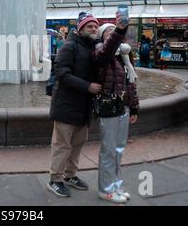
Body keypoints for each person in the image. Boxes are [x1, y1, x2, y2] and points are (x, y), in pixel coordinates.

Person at [47, 11, 128, 198]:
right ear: (80, 28)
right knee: (62, 144)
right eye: (89, 26)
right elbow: (62, 74)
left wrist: (120, 31)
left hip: (83, 106)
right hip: (66, 105)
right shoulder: (69, 46)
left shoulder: (92, 47)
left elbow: (107, 52)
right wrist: (87, 86)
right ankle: (55, 179)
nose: (93, 28)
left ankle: (70, 175)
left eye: (95, 26)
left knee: (77, 143)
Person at [94, 23, 140, 204]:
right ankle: (105, 189)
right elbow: (105, 53)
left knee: (119, 150)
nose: (113, 33)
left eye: (115, 30)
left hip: (123, 106)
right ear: (102, 35)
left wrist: (134, 107)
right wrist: (118, 32)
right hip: (108, 106)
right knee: (109, 150)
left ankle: (116, 185)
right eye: (108, 31)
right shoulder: (99, 52)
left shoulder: (124, 55)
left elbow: (131, 84)